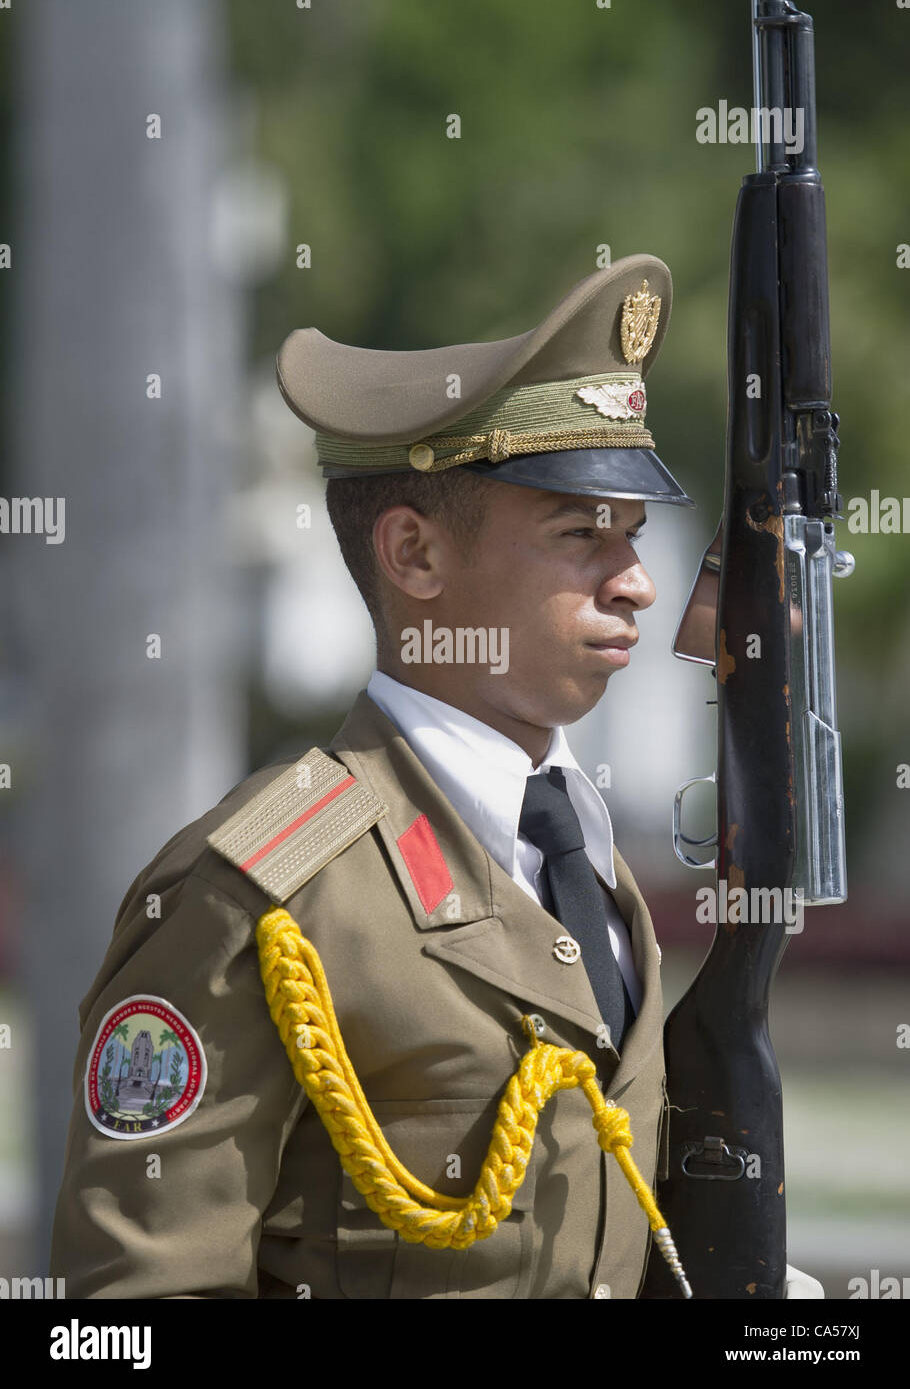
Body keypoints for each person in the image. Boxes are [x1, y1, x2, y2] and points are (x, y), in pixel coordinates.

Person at [49, 254, 821, 1299]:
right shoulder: (258, 898)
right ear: (413, 556)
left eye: (633, 537)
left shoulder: (578, 855)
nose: (636, 582)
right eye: (579, 534)